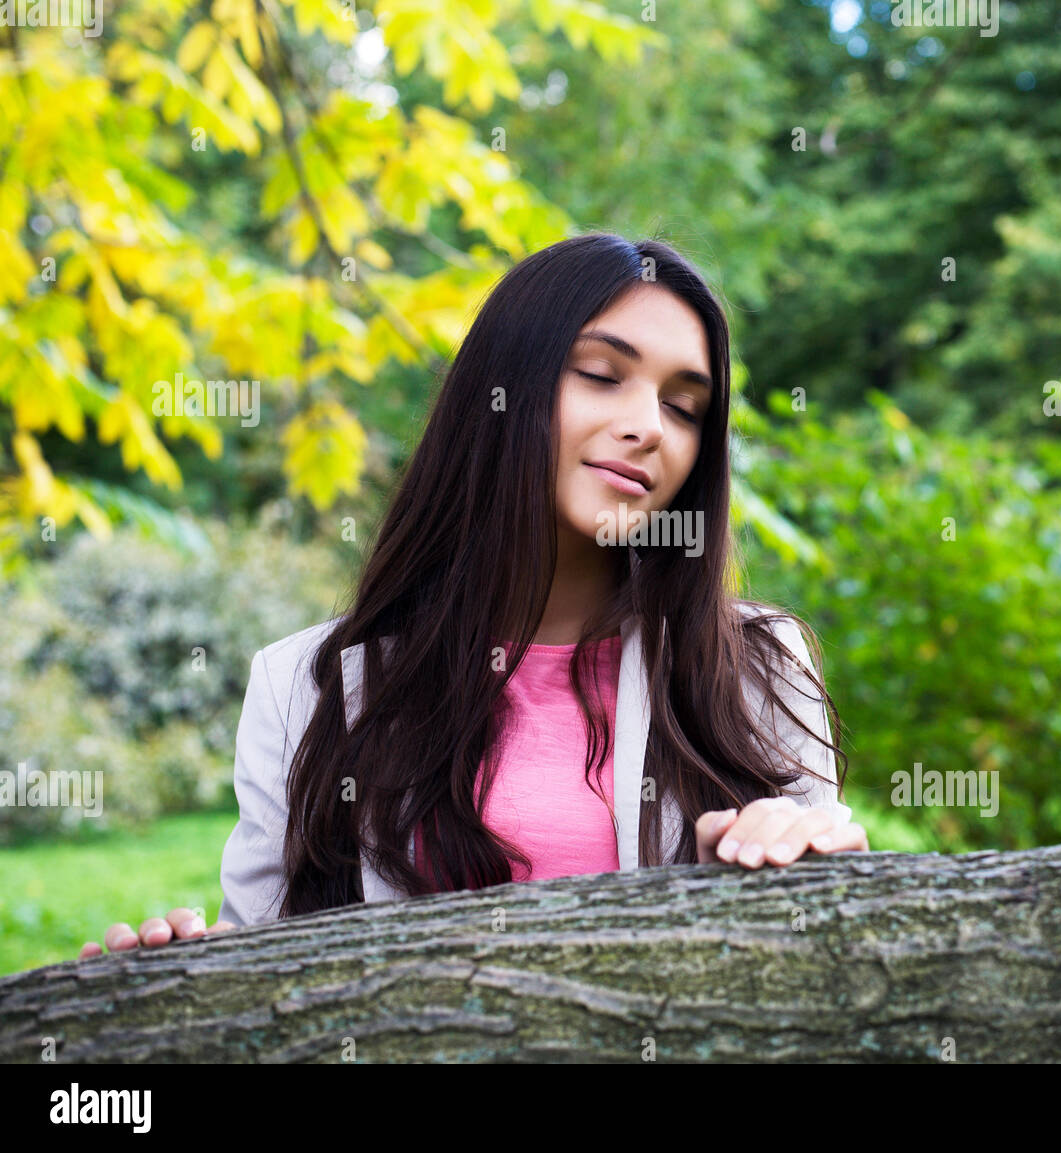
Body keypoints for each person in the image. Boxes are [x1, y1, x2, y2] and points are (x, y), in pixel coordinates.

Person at [78, 232, 867, 959]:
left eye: (683, 406)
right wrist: (171, 977)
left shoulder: (755, 668)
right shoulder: (306, 687)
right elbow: (267, 983)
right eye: (600, 374)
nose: (648, 427)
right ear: (502, 390)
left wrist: (804, 872)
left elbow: (813, 968)